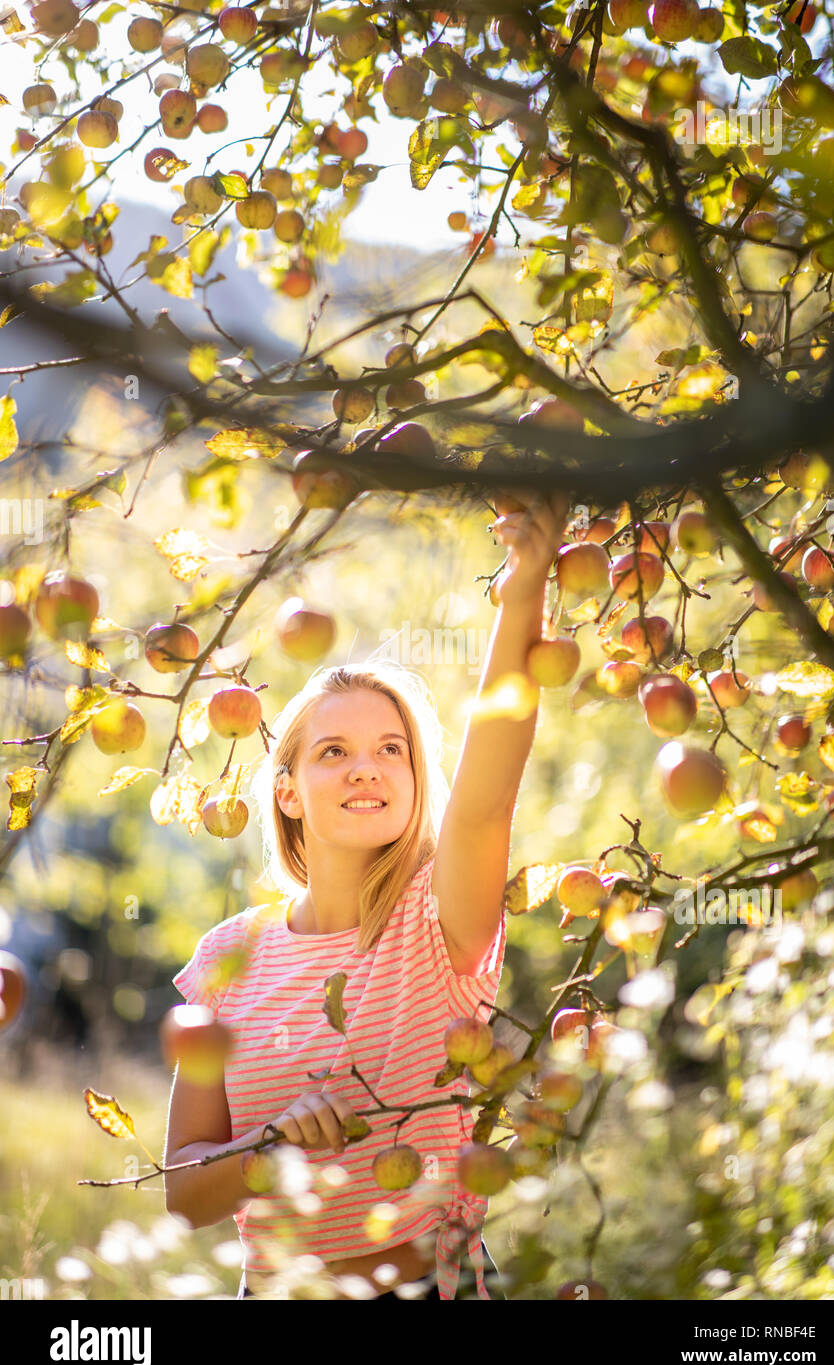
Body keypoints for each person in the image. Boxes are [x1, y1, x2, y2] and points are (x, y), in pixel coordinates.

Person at [163, 489, 570, 1300]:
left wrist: (526, 584)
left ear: (417, 783)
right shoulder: (226, 957)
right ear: (286, 792)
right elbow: (183, 1194)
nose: (366, 768)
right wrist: (269, 1150)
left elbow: (488, 792)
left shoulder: (436, 925)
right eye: (334, 751)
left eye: (393, 749)